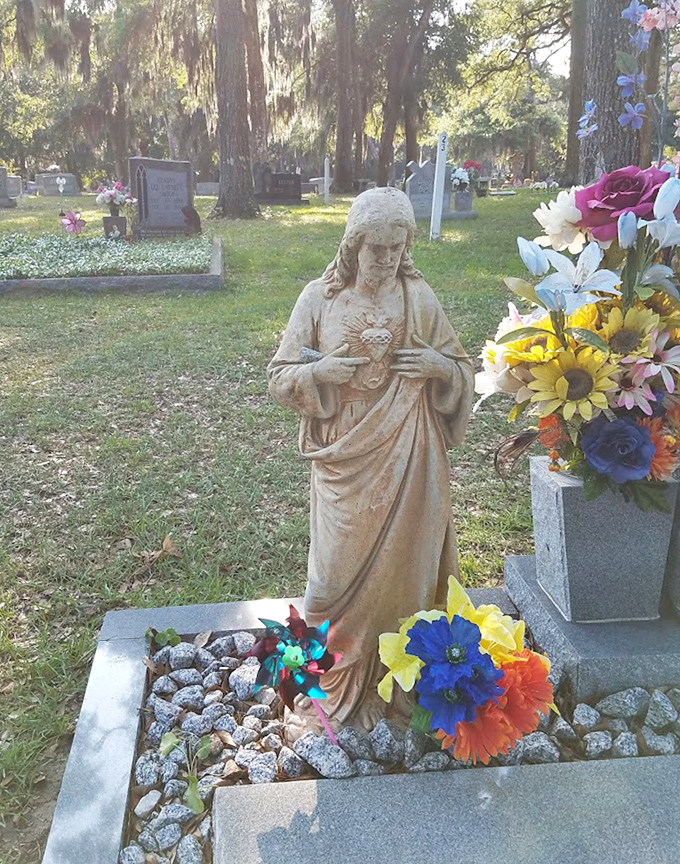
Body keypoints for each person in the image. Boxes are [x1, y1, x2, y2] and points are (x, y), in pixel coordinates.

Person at [267, 187, 474, 732]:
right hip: (344, 455)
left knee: (408, 575)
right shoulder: (319, 298)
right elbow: (279, 375)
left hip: (411, 451)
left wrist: (437, 366)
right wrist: (318, 374)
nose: (384, 258)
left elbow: (460, 370)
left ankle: (403, 691)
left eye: (395, 246)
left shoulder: (419, 298)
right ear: (353, 244)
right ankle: (331, 686)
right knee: (330, 579)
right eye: (374, 247)